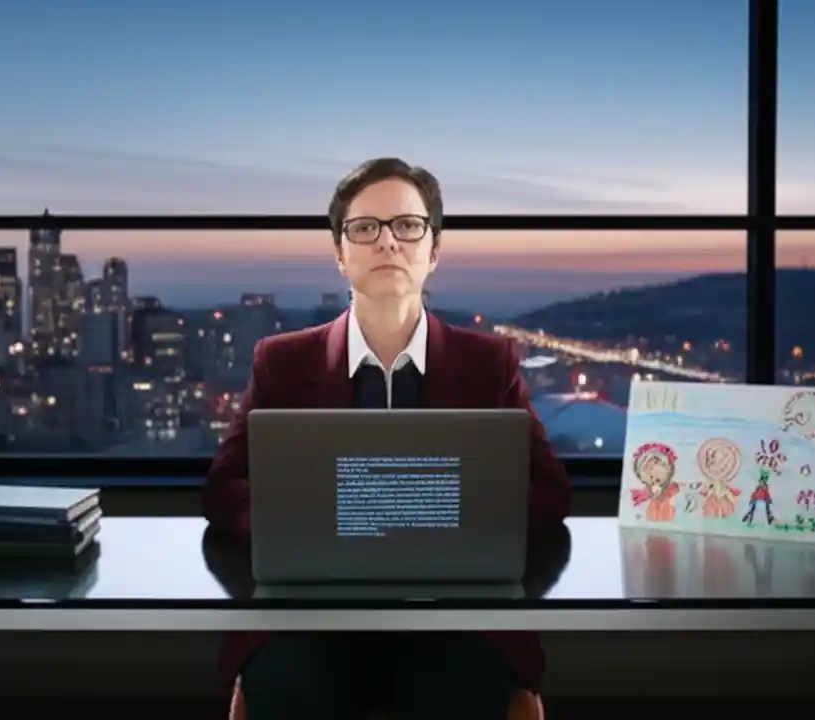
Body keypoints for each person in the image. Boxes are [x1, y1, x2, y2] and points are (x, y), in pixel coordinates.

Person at [203, 157, 572, 720]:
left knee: (459, 689)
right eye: (365, 228)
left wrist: (432, 518)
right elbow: (223, 492)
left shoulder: (489, 361)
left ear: (434, 251)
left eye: (407, 225)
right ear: (340, 254)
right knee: (289, 684)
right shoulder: (282, 361)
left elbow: (549, 496)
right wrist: (307, 524)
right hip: (313, 613)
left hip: (453, 613)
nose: (387, 243)